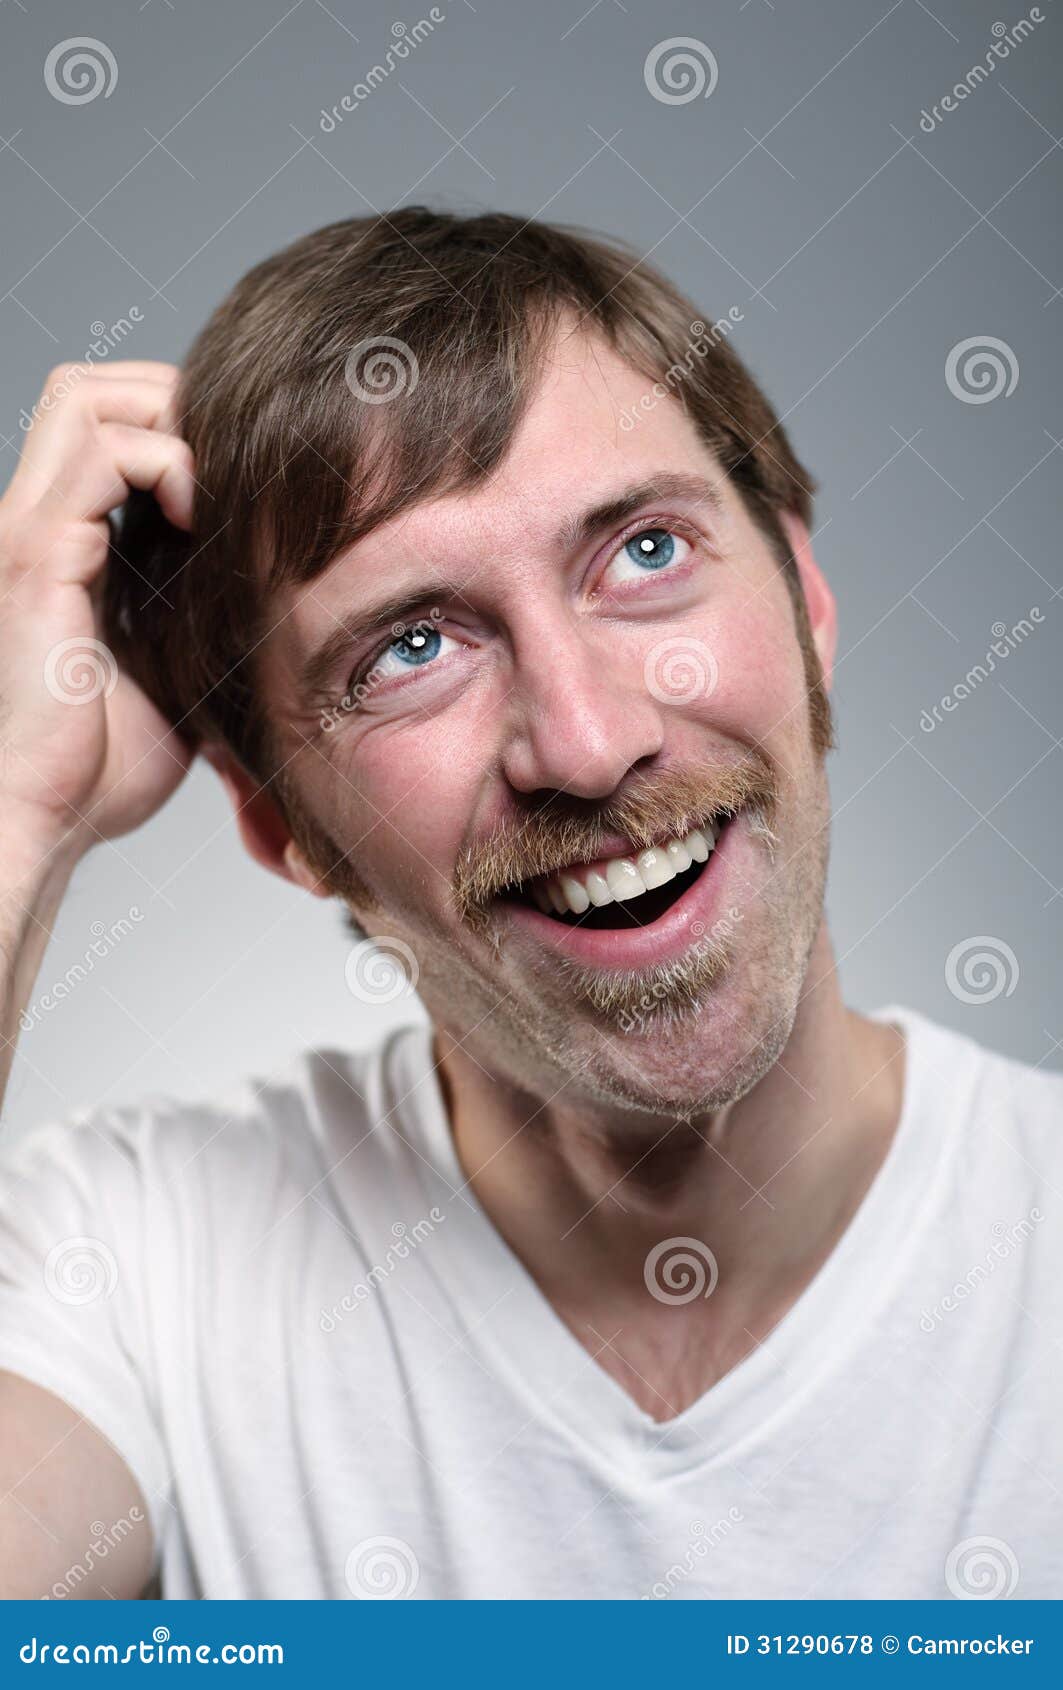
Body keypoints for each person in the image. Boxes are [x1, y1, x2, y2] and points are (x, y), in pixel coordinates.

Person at [0, 210, 1058, 1601]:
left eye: (643, 553)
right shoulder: (141, 1264)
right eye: (414, 647)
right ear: (282, 826)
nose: (585, 739)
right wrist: (19, 804)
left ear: (805, 603)